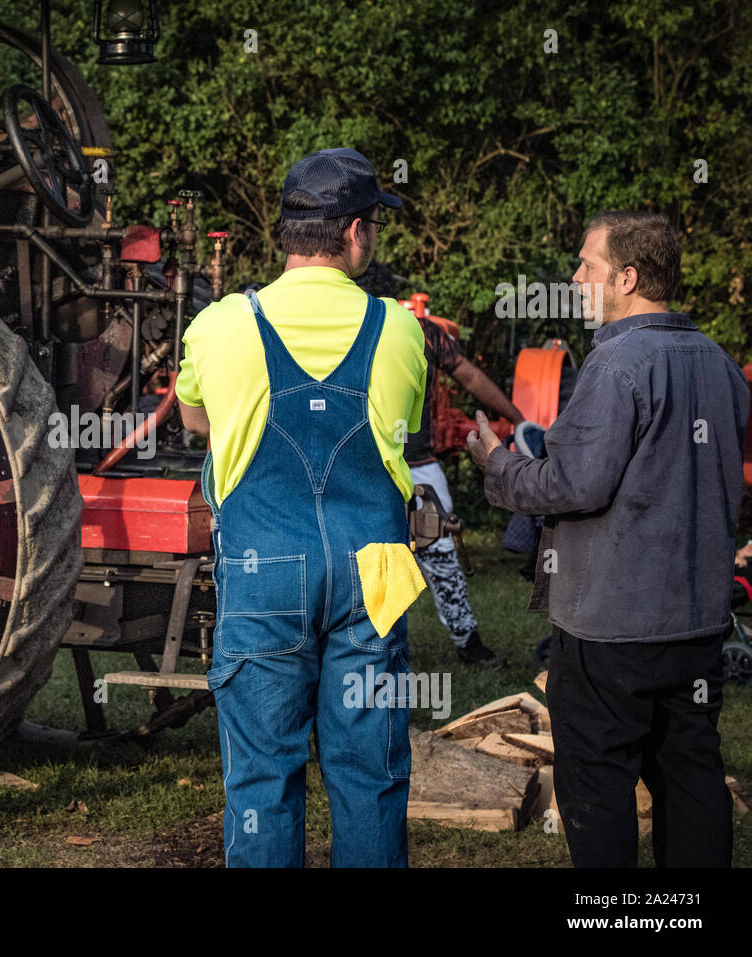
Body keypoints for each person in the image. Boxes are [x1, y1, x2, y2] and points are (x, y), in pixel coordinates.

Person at [467, 210, 750, 867]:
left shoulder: (617, 362)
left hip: (612, 629)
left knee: (597, 786)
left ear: (625, 276)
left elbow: (574, 485)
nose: (574, 277)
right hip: (699, 621)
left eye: (586, 266)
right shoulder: (719, 364)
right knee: (690, 776)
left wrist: (497, 464)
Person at [177, 148, 427, 867]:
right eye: (374, 224)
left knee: (262, 779)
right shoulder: (399, 330)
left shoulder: (220, 325)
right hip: (373, 574)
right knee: (372, 776)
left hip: (265, 572)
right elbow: (400, 426)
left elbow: (196, 419)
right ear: (354, 232)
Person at [356, 265, 524, 667]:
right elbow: (468, 375)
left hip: (371, 466)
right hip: (406, 467)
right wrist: (517, 417)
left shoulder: (350, 331)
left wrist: (516, 417)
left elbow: (467, 375)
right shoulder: (420, 330)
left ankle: (377, 649)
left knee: (382, 557)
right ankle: (465, 644)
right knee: (438, 553)